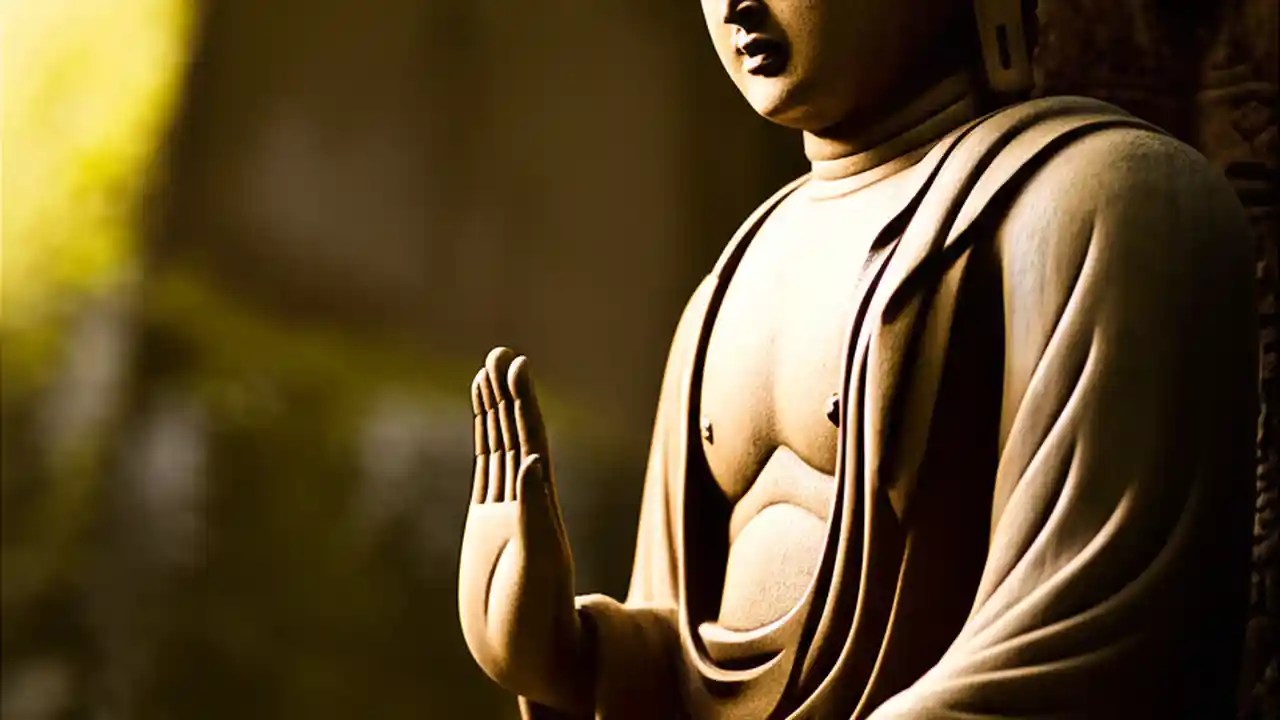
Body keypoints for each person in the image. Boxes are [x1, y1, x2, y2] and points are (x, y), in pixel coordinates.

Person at [457, 0, 1257, 717]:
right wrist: (573, 656)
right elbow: (684, 654)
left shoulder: (1107, 203)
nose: (737, 4)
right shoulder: (727, 286)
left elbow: (1095, 645)